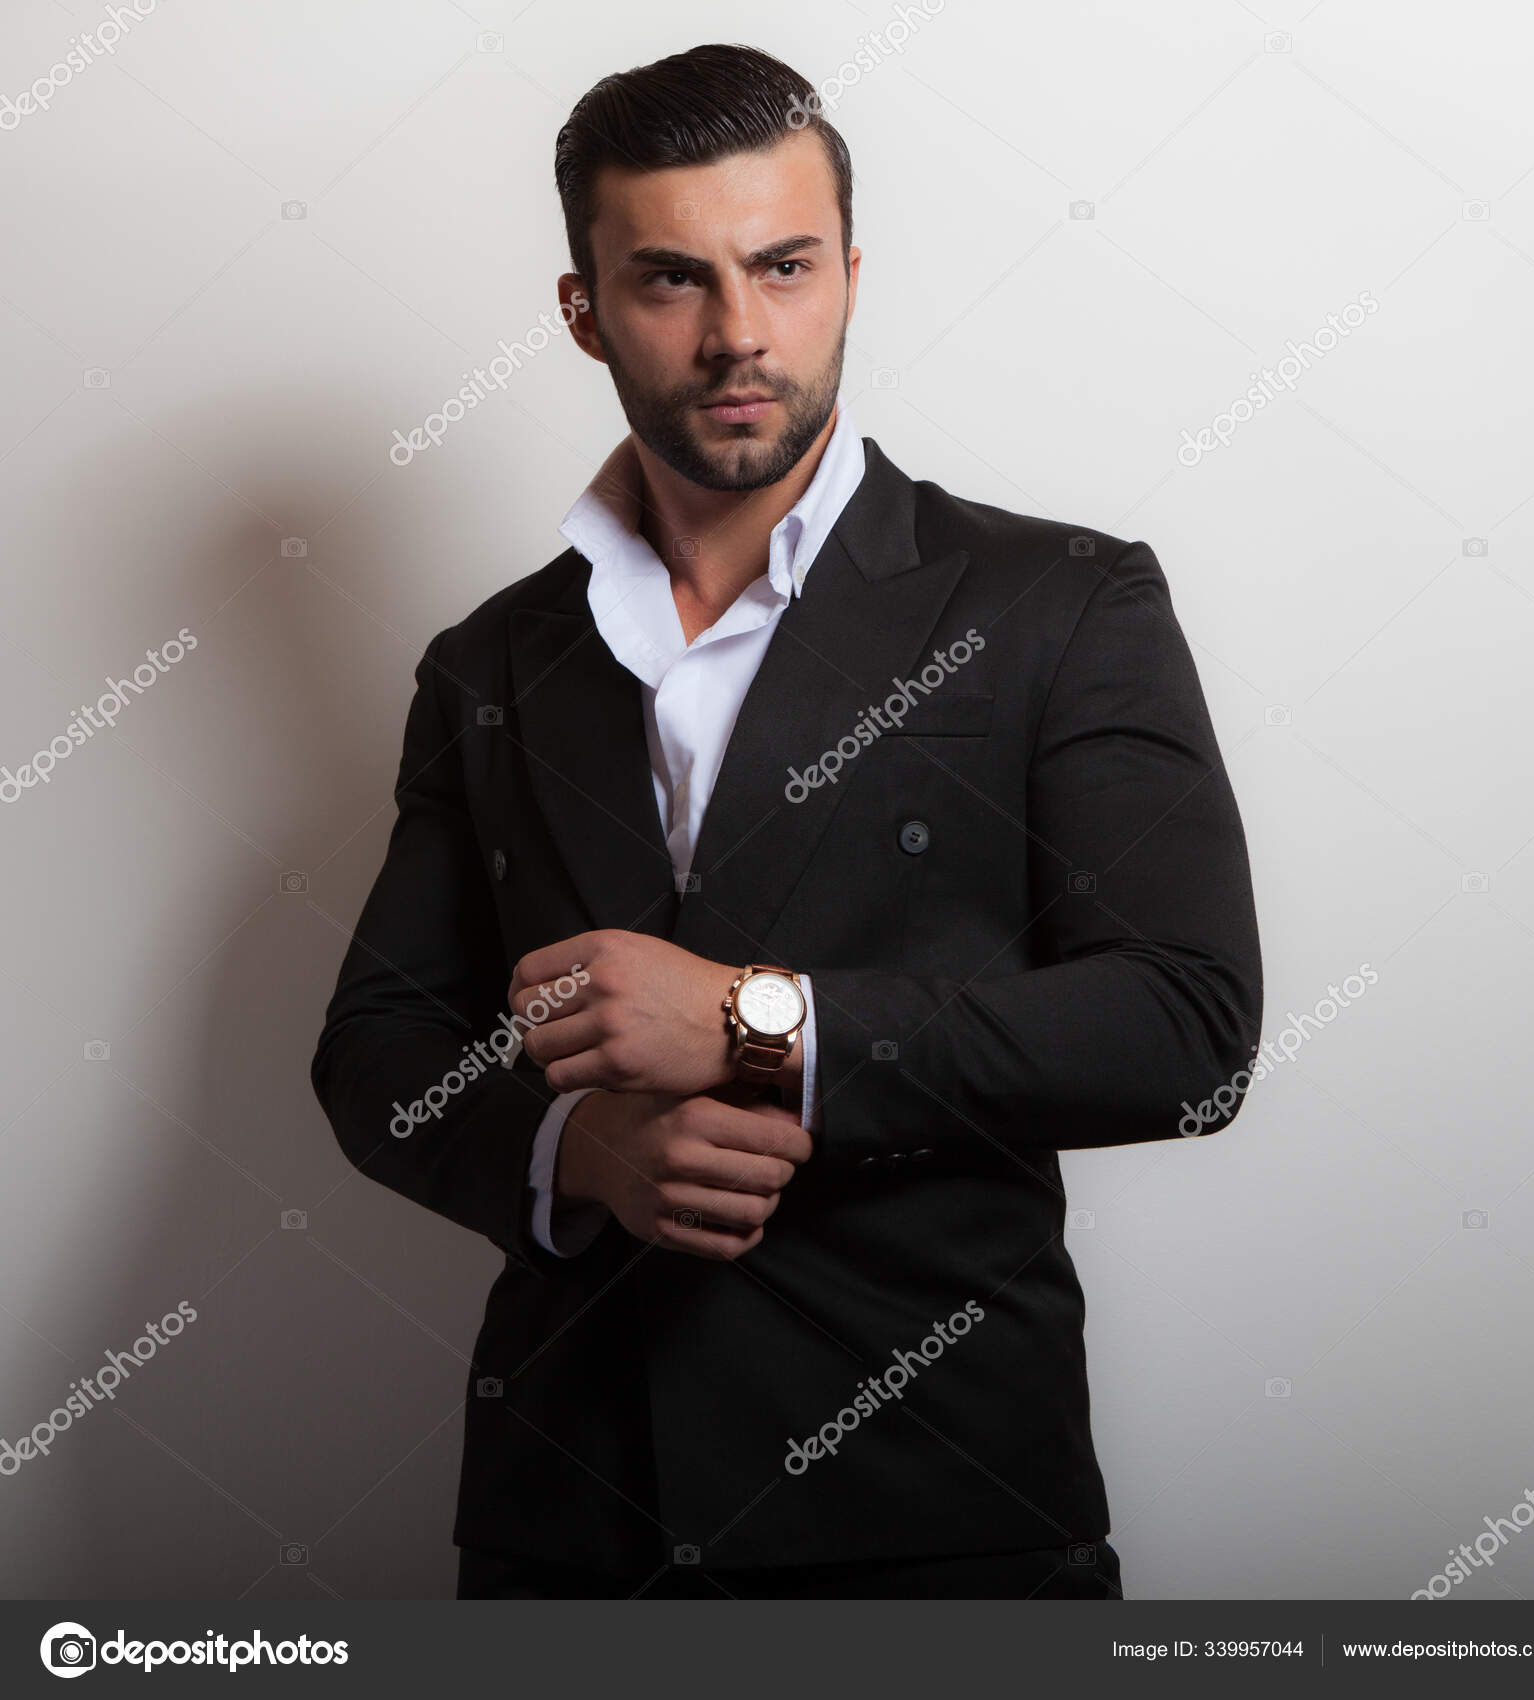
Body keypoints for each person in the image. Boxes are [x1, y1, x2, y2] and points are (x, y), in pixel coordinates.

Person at [310, 41, 1263, 1601]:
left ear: (850, 274)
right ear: (584, 310)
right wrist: (576, 1152)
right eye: (673, 280)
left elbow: (1191, 1027)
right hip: (572, 1520)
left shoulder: (1059, 601)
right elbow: (378, 1051)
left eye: (785, 266)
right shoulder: (489, 662)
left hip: (937, 1509)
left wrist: (761, 1027)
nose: (739, 333)